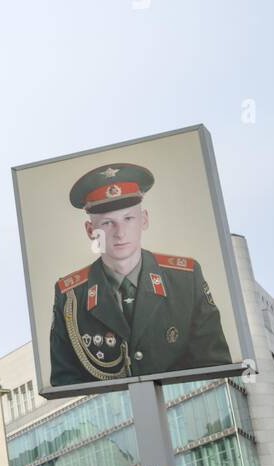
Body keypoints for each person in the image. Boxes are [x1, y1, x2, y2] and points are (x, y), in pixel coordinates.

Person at [48, 163, 230, 386]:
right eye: (107, 223)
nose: (120, 233)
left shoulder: (185, 279)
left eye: (128, 219)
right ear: (90, 231)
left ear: (144, 219)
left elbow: (215, 367)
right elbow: (66, 384)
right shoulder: (70, 296)